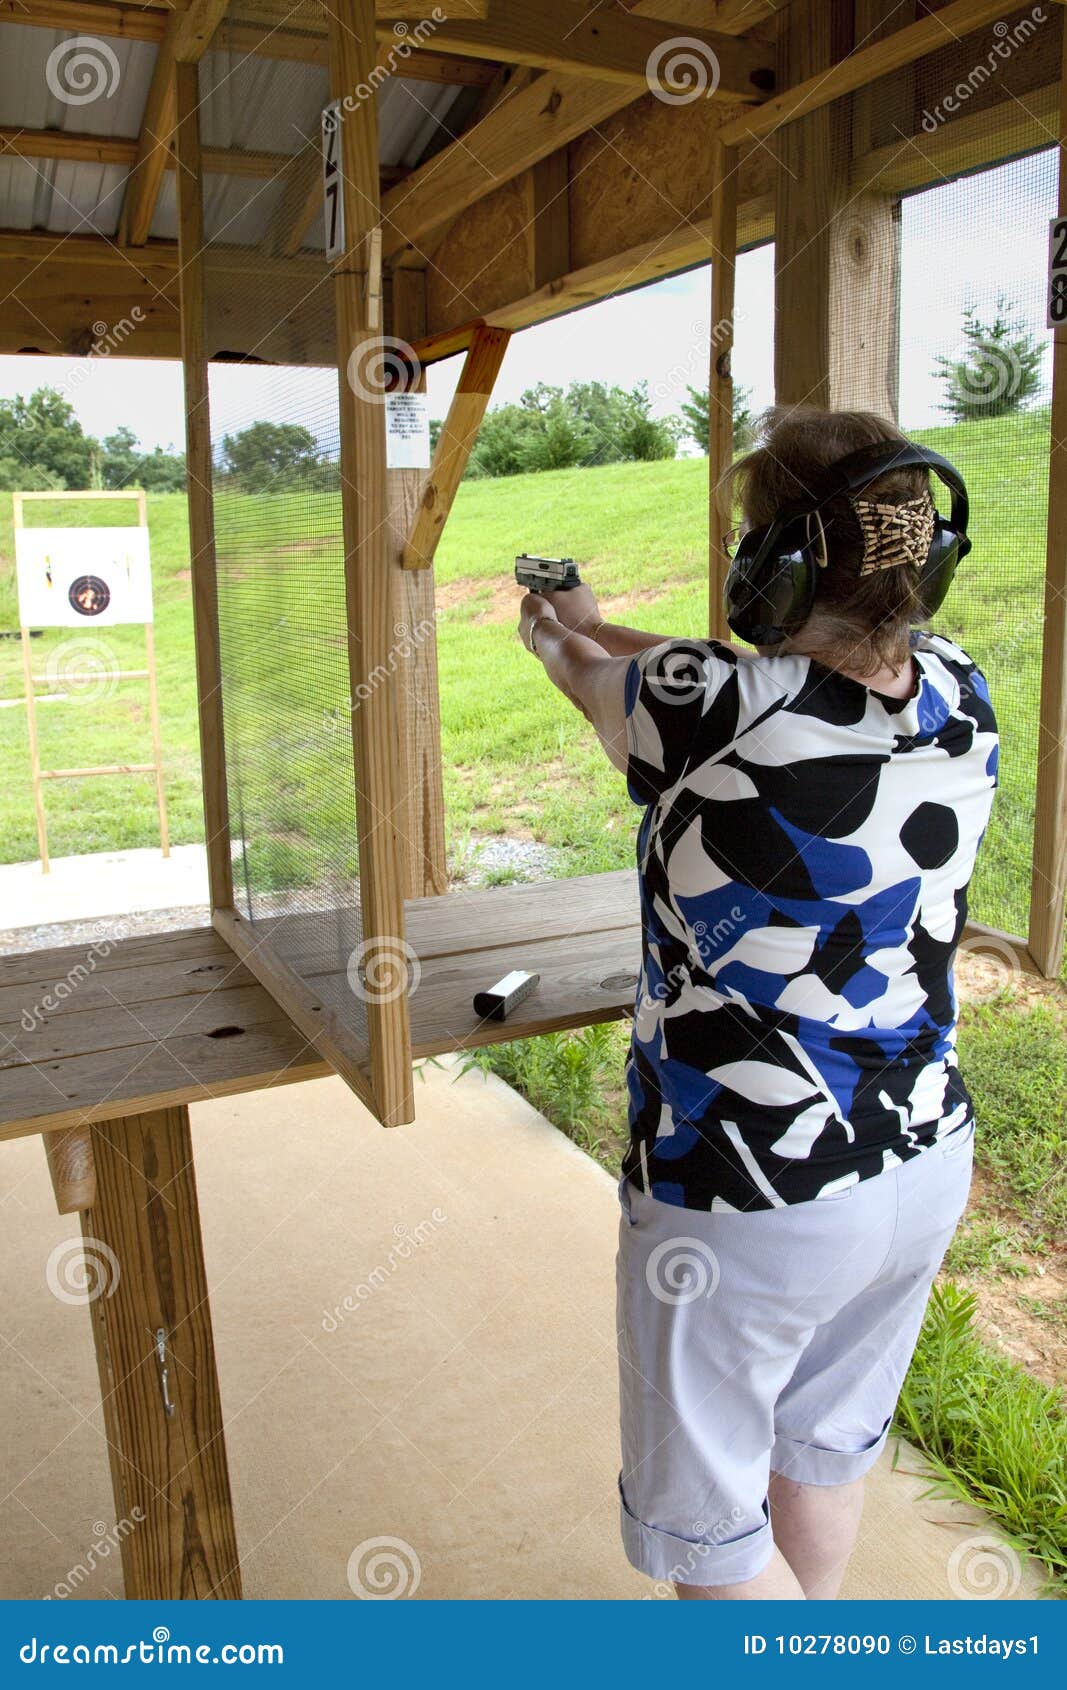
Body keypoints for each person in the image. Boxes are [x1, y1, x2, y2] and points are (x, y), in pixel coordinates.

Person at [516, 406, 998, 1601]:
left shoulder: (704, 707)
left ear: (772, 561)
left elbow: (598, 676)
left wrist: (553, 629)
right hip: (917, 1153)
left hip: (745, 1184)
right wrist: (600, 622)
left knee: (712, 1534)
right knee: (818, 1451)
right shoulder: (956, 687)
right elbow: (721, 681)